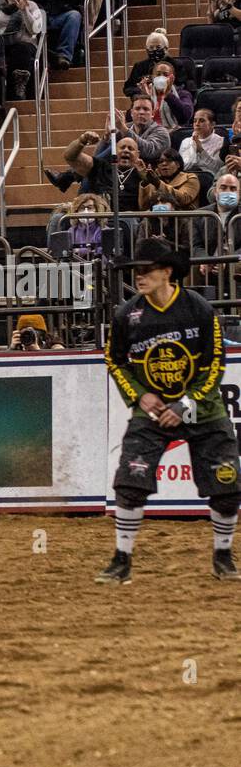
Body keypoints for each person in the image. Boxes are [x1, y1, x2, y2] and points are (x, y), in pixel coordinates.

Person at [98, 237, 240, 584]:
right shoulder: (126, 315)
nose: (139, 278)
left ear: (167, 273)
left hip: (202, 410)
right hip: (151, 411)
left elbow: (214, 364)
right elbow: (114, 361)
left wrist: (186, 402)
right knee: (129, 484)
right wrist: (140, 396)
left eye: (145, 271)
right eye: (136, 272)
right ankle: (122, 558)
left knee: (227, 486)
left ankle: (223, 554)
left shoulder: (199, 309)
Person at [0, 0, 45, 100]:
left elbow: (35, 30)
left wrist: (24, 10)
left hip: (25, 46)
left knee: (21, 48)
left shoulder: (31, 5)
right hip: (1, 45)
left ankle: (19, 87)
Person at [123, 28, 195, 98]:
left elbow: (183, 86)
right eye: (151, 47)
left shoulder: (177, 65)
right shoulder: (139, 66)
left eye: (158, 47)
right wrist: (142, 89)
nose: (154, 50)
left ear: (166, 48)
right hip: (146, 102)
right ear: (146, 49)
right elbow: (128, 89)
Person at [30, 0, 83, 70]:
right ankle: (41, 60)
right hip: (39, 13)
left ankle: (64, 56)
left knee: (74, 16)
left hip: (63, 13)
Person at [137, 60, 193, 132]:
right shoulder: (146, 93)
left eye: (165, 75)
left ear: (172, 78)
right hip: (150, 133)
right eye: (158, 74)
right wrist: (146, 99)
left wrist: (169, 95)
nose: (161, 77)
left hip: (174, 133)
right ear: (152, 77)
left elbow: (185, 116)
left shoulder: (183, 94)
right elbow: (134, 116)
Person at [181, 108, 224, 175]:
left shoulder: (220, 142)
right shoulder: (186, 142)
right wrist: (194, 149)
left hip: (210, 180)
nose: (197, 124)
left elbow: (217, 169)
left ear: (212, 124)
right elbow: (182, 167)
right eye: (195, 121)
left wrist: (201, 150)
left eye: (202, 121)